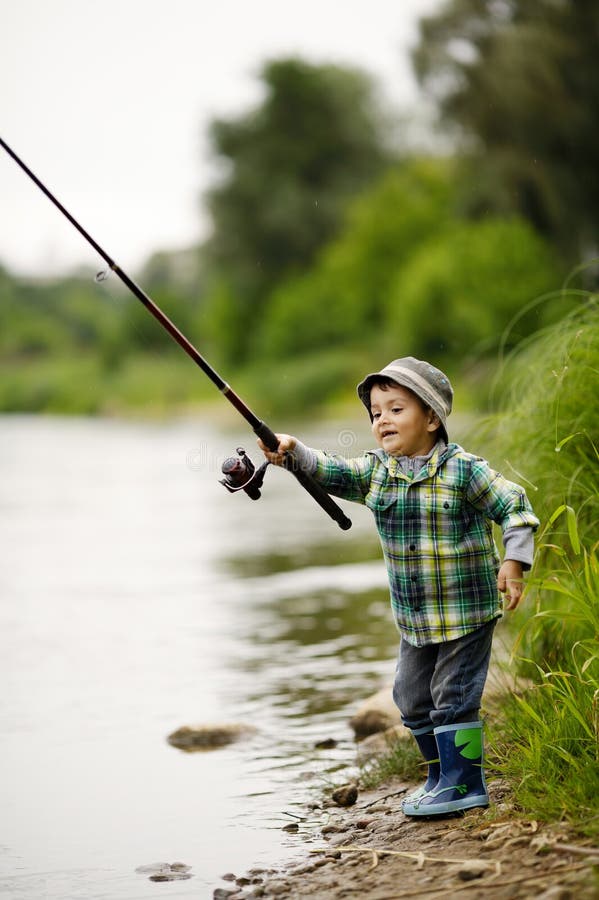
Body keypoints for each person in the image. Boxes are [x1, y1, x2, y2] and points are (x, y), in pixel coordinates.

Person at [258, 356, 539, 817]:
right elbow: (334, 471)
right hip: (414, 620)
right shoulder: (378, 473)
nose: (381, 420)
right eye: (374, 413)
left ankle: (466, 782)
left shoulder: (464, 472)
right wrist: (293, 452)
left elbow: (515, 506)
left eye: (395, 409)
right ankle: (438, 777)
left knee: (453, 699)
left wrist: (514, 560)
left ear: (431, 418)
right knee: (410, 699)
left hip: (466, 613)